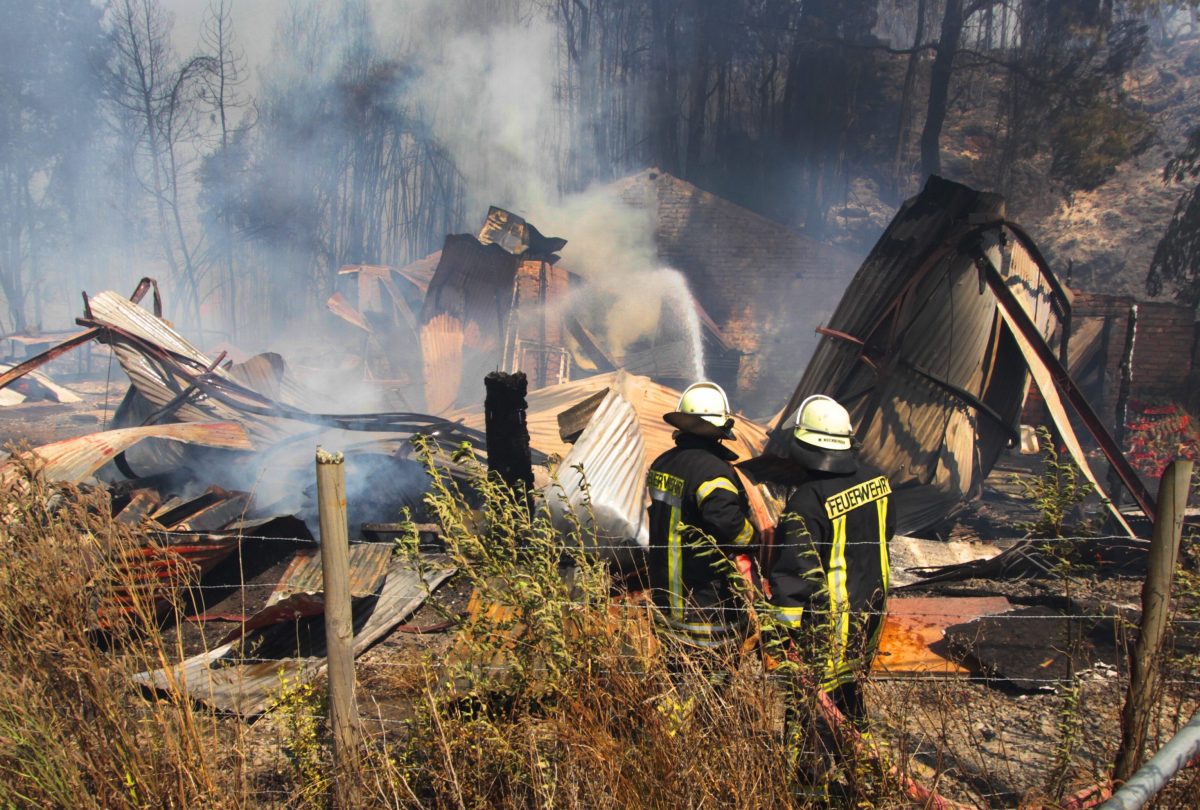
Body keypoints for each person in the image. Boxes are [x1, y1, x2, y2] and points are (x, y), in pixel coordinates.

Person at [767, 394, 893, 725]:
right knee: (849, 699)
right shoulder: (878, 482)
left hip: (828, 626)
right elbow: (886, 531)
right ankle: (858, 763)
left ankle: (804, 771)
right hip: (871, 613)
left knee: (808, 707)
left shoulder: (807, 502)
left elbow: (795, 573)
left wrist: (782, 634)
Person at [645, 381, 757, 654]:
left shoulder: (662, 462)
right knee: (711, 685)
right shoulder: (713, 471)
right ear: (719, 431)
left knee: (675, 679)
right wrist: (755, 538)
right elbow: (728, 524)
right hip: (705, 606)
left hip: (665, 600)